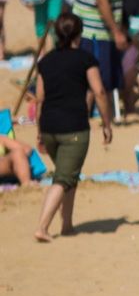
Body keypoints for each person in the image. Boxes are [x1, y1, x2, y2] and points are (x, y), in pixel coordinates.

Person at [29, 13, 113, 242]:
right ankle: (42, 227)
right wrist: (106, 124)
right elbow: (99, 92)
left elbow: (40, 99)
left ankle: (67, 224)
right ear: (79, 33)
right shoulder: (85, 60)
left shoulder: (45, 62)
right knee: (63, 178)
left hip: (49, 127)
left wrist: (39, 132)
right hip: (73, 128)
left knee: (69, 174)